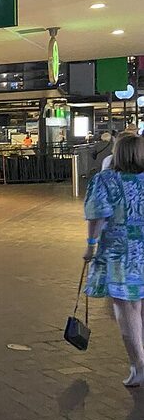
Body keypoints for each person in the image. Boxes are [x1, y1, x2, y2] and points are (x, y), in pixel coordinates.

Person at [83, 134, 144, 386]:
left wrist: (90, 246)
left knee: (126, 308)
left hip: (120, 253)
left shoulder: (106, 180)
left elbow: (97, 216)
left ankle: (138, 364)